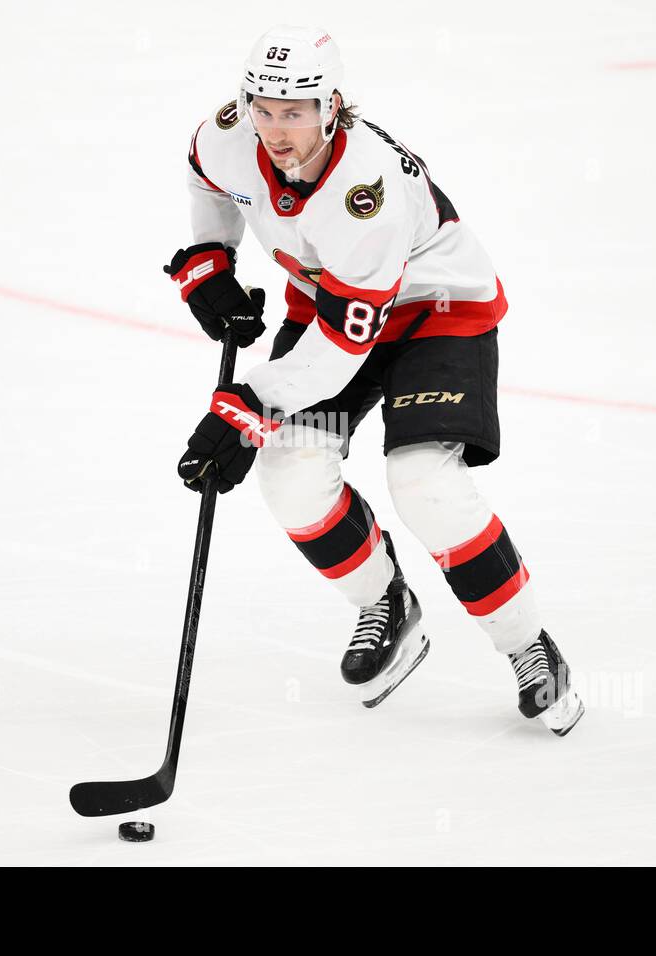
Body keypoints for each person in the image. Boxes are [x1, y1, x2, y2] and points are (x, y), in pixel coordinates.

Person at [166, 25, 583, 734]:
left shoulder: (367, 188)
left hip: (436, 312)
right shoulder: (231, 133)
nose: (274, 127)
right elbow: (209, 178)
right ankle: (386, 600)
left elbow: (338, 348)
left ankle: (529, 648)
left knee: (425, 481)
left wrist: (249, 404)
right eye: (264, 107)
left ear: (332, 108)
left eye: (294, 111)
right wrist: (211, 256)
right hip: (336, 305)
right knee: (292, 475)